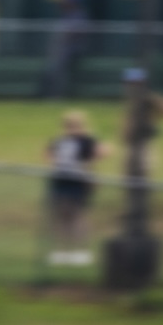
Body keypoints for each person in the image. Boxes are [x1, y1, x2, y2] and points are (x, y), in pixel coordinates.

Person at [44, 110, 106, 266]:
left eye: (75, 124)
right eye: (69, 125)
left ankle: (80, 251)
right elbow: (49, 154)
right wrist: (55, 162)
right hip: (61, 180)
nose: (72, 128)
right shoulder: (60, 140)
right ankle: (62, 251)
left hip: (78, 181)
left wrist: (89, 171)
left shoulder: (86, 140)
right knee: (61, 216)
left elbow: (100, 152)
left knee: (78, 216)